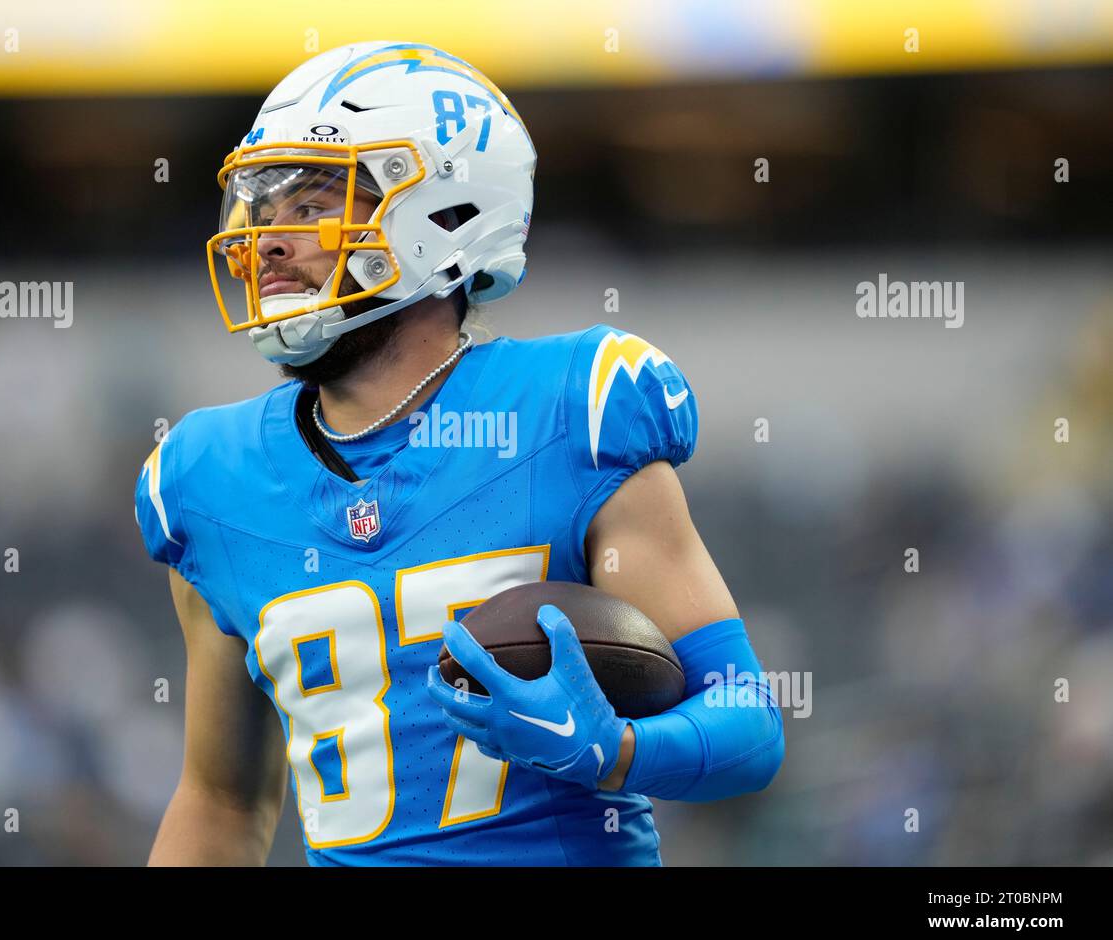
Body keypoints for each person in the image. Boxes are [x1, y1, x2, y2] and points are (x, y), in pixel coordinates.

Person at [136, 41, 783, 866]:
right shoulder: (206, 480)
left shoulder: (568, 409)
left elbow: (749, 723)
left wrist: (614, 750)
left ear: (446, 211)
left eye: (314, 201)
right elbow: (221, 802)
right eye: (264, 206)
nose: (269, 238)